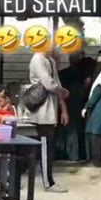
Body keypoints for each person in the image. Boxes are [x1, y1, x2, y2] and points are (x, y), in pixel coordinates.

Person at [28, 49, 69, 192]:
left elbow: (56, 84)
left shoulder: (50, 61)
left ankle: (14, 176)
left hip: (51, 111)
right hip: (42, 111)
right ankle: (48, 183)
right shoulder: (38, 59)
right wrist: (62, 91)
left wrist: (63, 109)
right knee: (46, 146)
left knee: (46, 146)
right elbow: (49, 84)